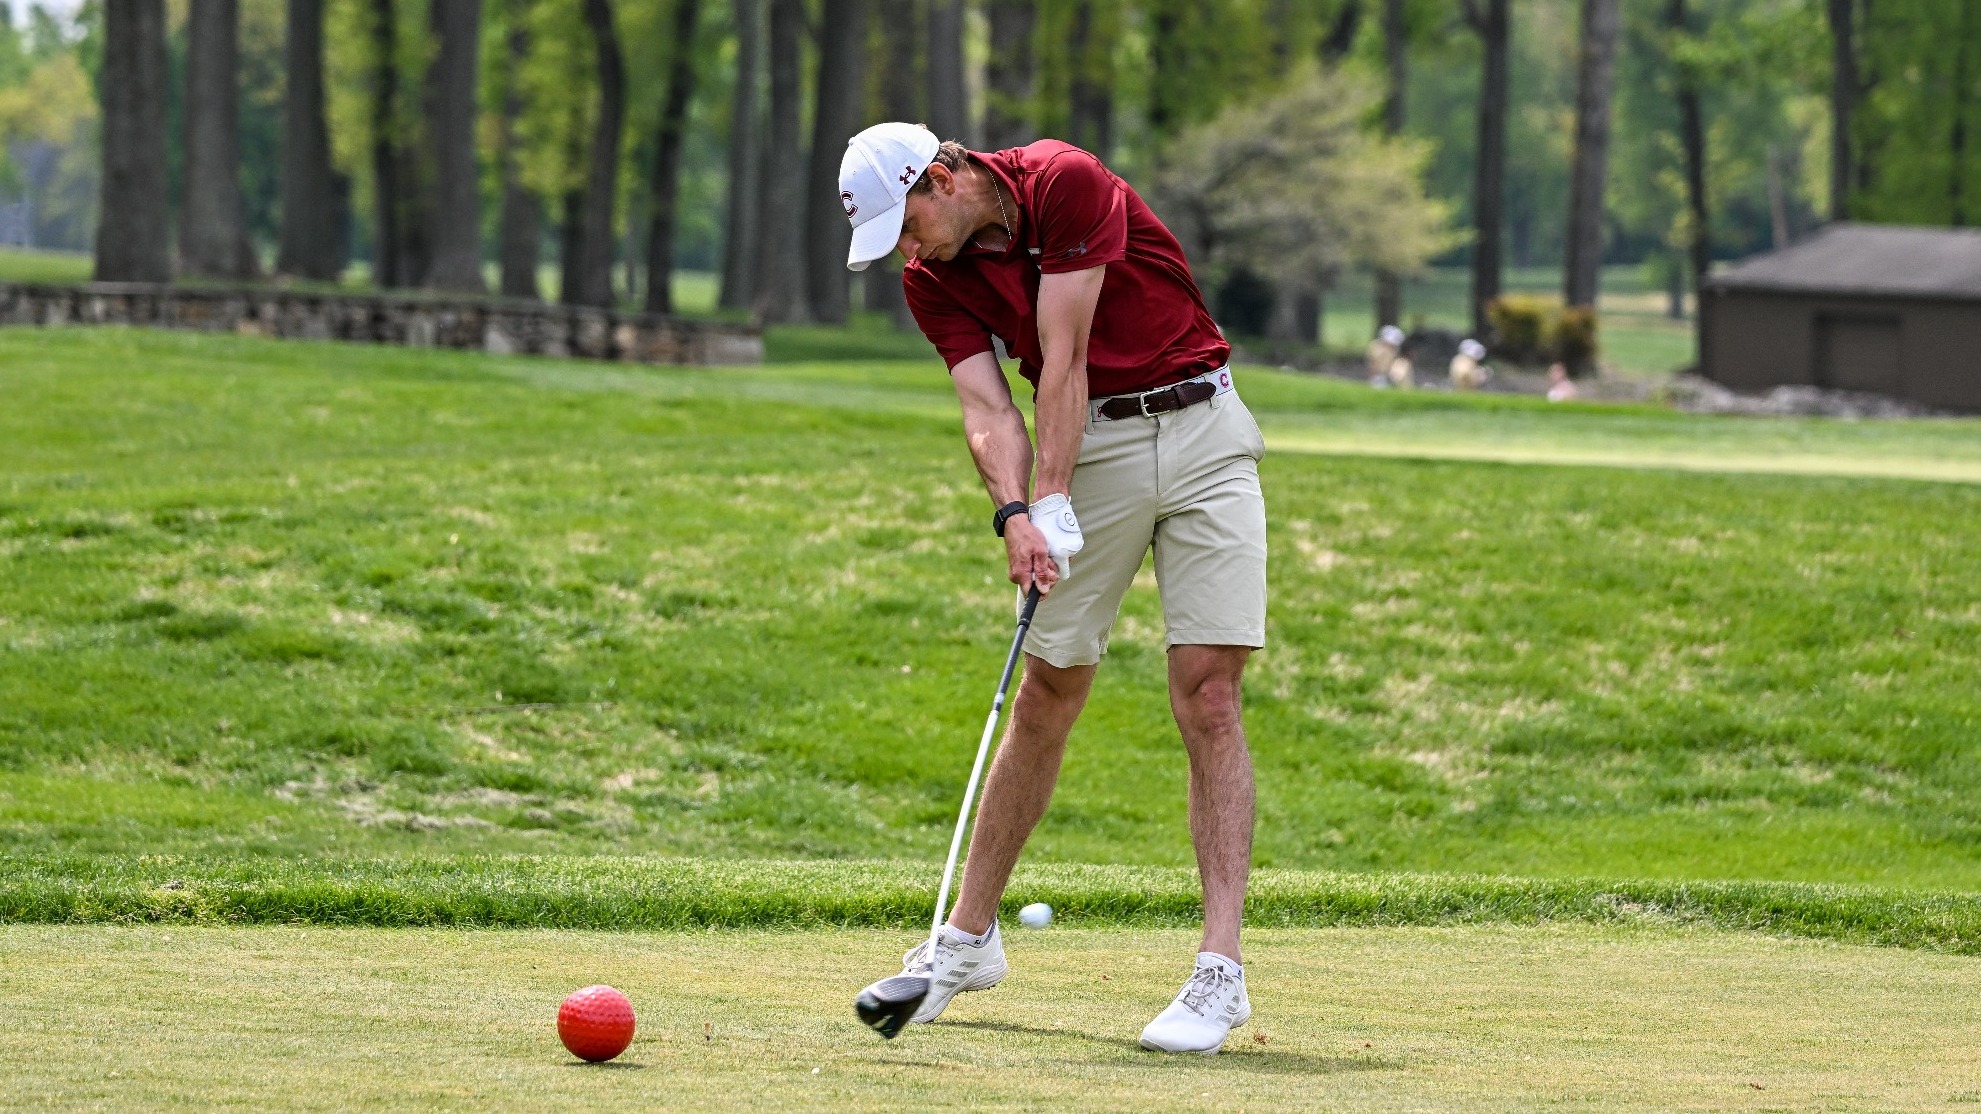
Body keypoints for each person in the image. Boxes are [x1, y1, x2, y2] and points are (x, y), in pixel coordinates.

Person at [839, 122, 1265, 1054]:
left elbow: (1061, 358)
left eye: (906, 224)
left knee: (1209, 689)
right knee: (1048, 687)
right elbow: (987, 407)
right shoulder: (931, 278)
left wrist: (1056, 495)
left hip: (1203, 426)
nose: (906, 250)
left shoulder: (1063, 181)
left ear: (941, 178)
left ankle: (1219, 972)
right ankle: (966, 940)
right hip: (1098, 442)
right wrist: (1015, 515)